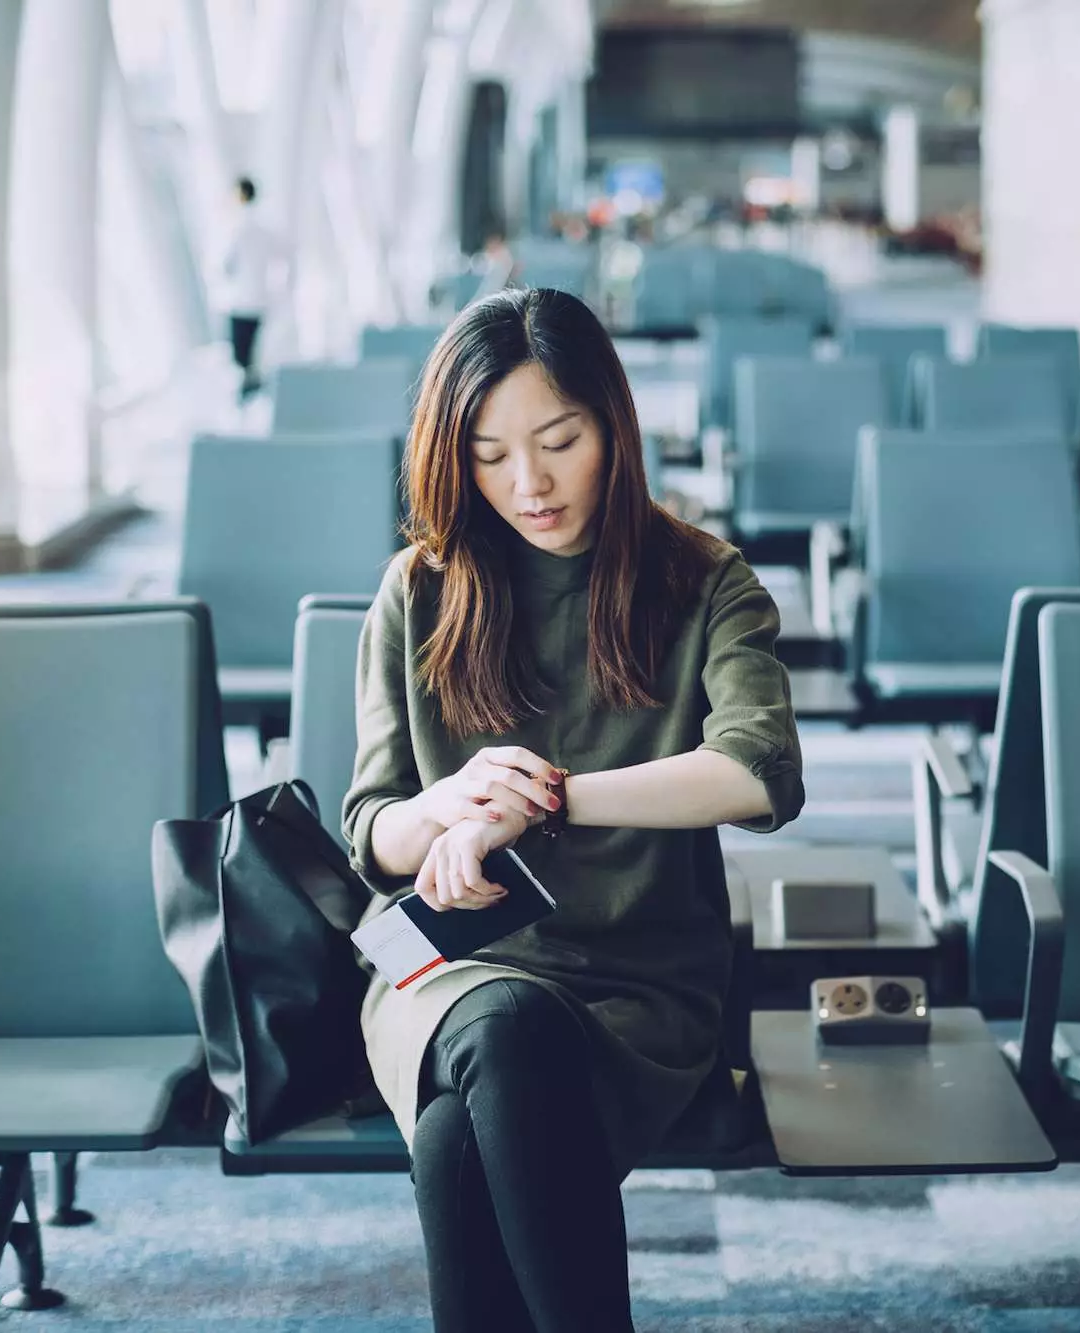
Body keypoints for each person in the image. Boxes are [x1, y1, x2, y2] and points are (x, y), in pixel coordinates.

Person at [342, 286, 804, 1332]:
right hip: (445, 972)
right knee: (502, 1021)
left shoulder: (700, 578)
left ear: (612, 422)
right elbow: (369, 827)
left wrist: (536, 802)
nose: (530, 483)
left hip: (636, 981)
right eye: (490, 455)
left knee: (458, 1135)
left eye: (559, 439)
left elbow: (759, 770)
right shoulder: (419, 589)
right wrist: (447, 806)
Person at [216, 176, 288, 401]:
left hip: (240, 302)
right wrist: (280, 291)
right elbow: (285, 256)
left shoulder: (235, 229)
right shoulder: (263, 230)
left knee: (241, 359)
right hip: (259, 301)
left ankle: (246, 400)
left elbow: (225, 266)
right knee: (252, 357)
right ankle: (252, 396)